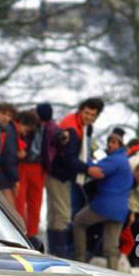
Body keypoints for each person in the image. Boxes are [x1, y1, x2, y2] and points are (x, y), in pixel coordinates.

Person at [44, 97, 102, 255]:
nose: (88, 117)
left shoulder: (80, 125)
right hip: (59, 174)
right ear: (81, 110)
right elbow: (69, 159)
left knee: (55, 213)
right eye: (87, 113)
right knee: (62, 214)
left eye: (92, 115)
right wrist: (88, 169)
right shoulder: (72, 129)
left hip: (59, 173)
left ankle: (52, 249)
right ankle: (59, 251)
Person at [73, 130, 132, 270]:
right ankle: (114, 272)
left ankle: (79, 259)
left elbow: (97, 172)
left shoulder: (115, 159)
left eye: (113, 142)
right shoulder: (124, 160)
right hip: (121, 209)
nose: (110, 145)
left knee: (79, 221)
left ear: (120, 145)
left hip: (105, 204)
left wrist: (84, 161)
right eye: (109, 142)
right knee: (111, 245)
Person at [12, 107, 45, 242]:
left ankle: (29, 233)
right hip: (29, 165)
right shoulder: (43, 128)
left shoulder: (22, 126)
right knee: (25, 199)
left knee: (30, 200)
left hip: (33, 165)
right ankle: (27, 232)